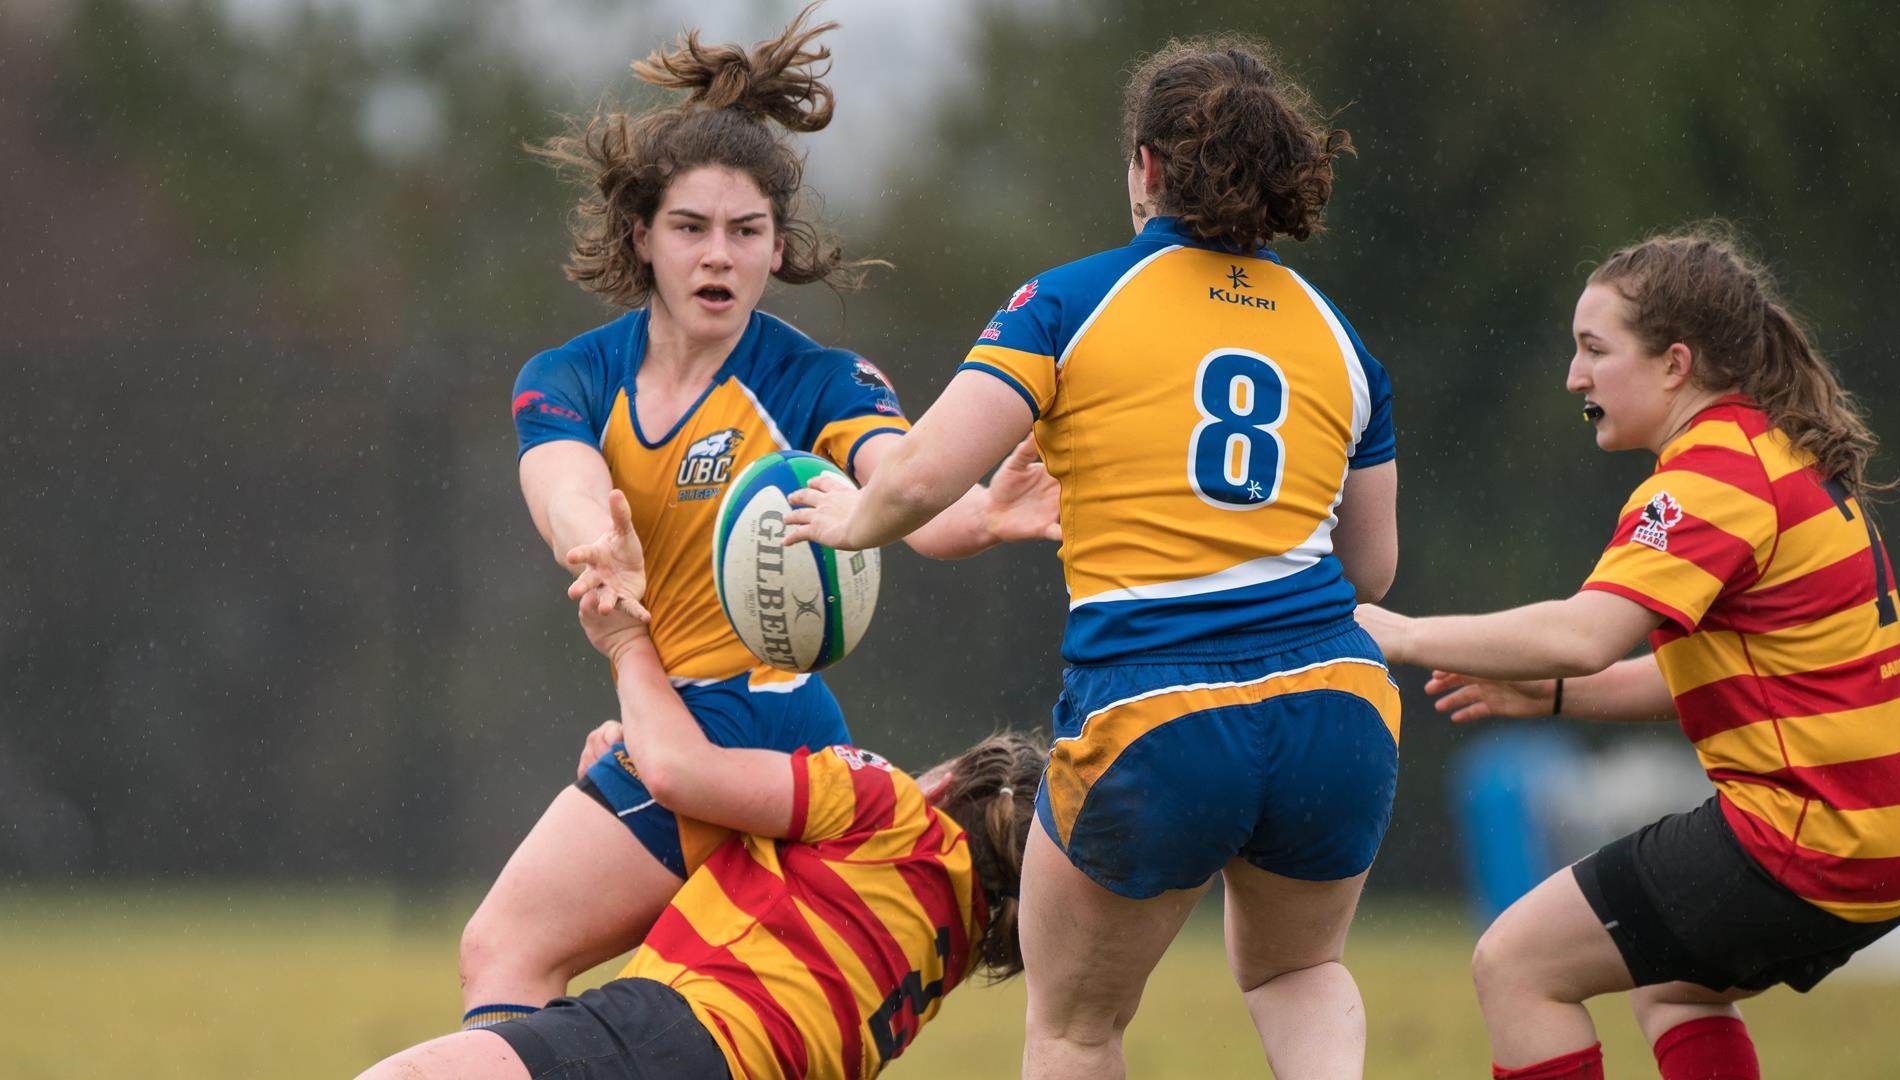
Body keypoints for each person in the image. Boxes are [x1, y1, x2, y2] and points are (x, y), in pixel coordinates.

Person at [785, 35, 1398, 1080]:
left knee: (1077, 1025)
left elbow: (927, 472)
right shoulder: (1341, 339)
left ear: (1148, 167)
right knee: (1298, 976)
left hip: (1157, 716)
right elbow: (1372, 568)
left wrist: (850, 518)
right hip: (1336, 704)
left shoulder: (1067, 301)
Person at [465, 5, 1060, 1030]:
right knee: (695, 1007)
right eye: (691, 229)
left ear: (777, 247)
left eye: (746, 233)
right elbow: (561, 480)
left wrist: (982, 514)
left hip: (744, 724)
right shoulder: (570, 375)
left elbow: (905, 489)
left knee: (508, 949)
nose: (718, 257)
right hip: (695, 722)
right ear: (641, 235)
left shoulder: (813, 379)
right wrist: (590, 538)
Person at [1357, 223, 1900, 1080]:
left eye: (1594, 349)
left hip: (1807, 838)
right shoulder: (1776, 451)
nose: (1575, 376)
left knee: (1516, 966)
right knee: (1678, 984)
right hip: (1883, 835)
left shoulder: (1709, 479)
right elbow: (1724, 677)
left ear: (1675, 364)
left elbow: (1586, 636)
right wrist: (1546, 698)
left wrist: (1399, 633)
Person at [360, 492, 1047, 1080]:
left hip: (683, 1037)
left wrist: (628, 647)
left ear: (944, 781)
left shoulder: (886, 801)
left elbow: (678, 773)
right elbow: (748, 901)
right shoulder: (945, 948)